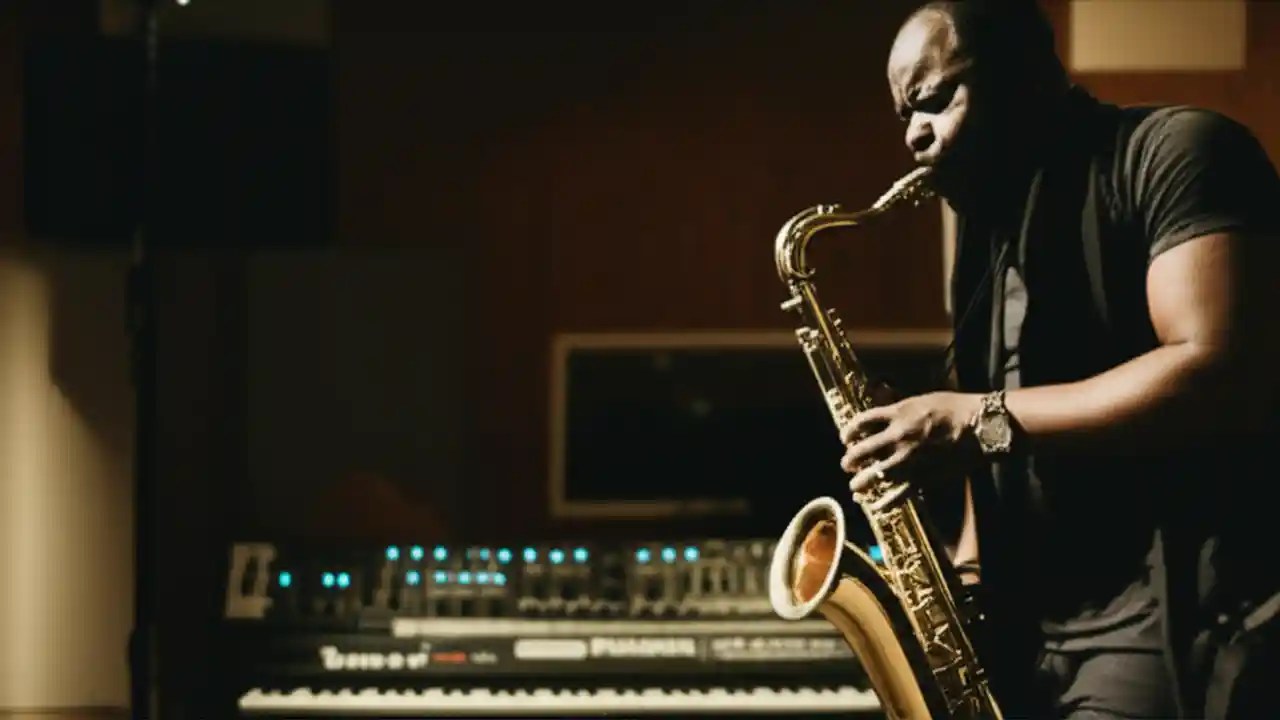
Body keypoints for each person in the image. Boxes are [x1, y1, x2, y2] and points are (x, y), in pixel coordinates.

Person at [836, 1, 1280, 718]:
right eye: (903, 116)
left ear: (1024, 73)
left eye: (935, 98)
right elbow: (995, 426)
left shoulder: (1179, 150)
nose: (914, 134)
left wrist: (972, 420)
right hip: (1028, 629)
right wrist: (968, 576)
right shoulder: (988, 233)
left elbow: (1220, 372)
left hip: (1161, 620)